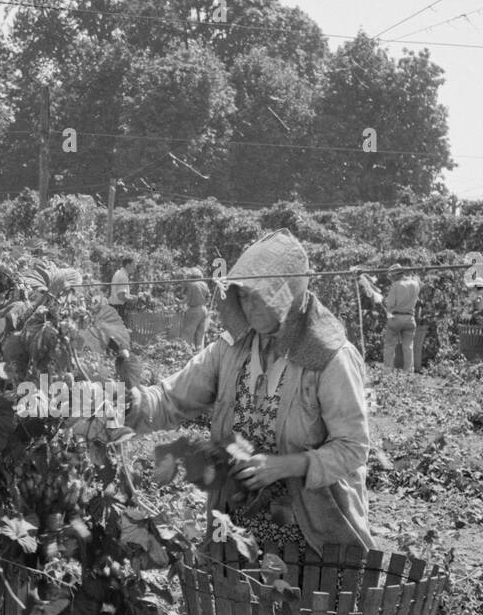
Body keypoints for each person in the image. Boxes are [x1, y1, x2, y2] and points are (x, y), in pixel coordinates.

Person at [126, 230, 374, 560]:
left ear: (286, 295)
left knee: (303, 606)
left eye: (259, 295)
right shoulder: (232, 350)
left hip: (311, 530)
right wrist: (131, 402)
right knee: (239, 605)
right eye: (242, 295)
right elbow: (172, 399)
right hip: (239, 526)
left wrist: (287, 465)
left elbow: (353, 447)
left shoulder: (329, 358)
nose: (248, 304)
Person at [382, 263, 421, 372]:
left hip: (395, 318)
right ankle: (408, 373)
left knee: (390, 346)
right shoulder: (415, 284)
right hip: (410, 318)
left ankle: (387, 373)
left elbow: (390, 304)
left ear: (394, 275)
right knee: (408, 347)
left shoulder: (396, 285)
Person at [182, 266, 211, 351]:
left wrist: (181, 303)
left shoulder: (191, 284)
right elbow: (208, 296)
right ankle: (200, 353)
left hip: (194, 309)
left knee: (188, 332)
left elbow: (188, 298)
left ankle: (186, 353)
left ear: (192, 276)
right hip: (204, 309)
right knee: (200, 334)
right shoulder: (204, 284)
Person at [109, 256, 136, 326]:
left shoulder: (118, 273)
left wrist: (131, 296)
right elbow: (121, 296)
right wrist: (133, 300)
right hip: (118, 309)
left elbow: (118, 293)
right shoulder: (123, 276)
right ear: (127, 265)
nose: (134, 268)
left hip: (113, 307)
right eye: (133, 265)